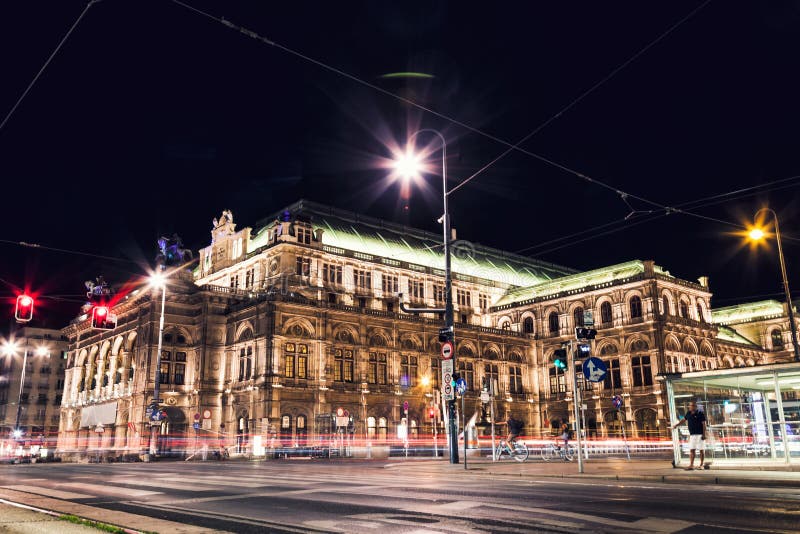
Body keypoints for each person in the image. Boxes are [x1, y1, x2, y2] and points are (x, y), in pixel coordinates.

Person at [672, 401, 707, 470]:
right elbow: (683, 420)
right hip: (692, 435)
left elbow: (704, 424)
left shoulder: (700, 413)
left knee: (701, 450)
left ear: (695, 407)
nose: (690, 407)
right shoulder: (688, 413)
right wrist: (676, 425)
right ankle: (691, 465)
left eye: (692, 405)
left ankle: (701, 465)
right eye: (690, 406)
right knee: (692, 450)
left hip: (700, 435)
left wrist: (704, 434)